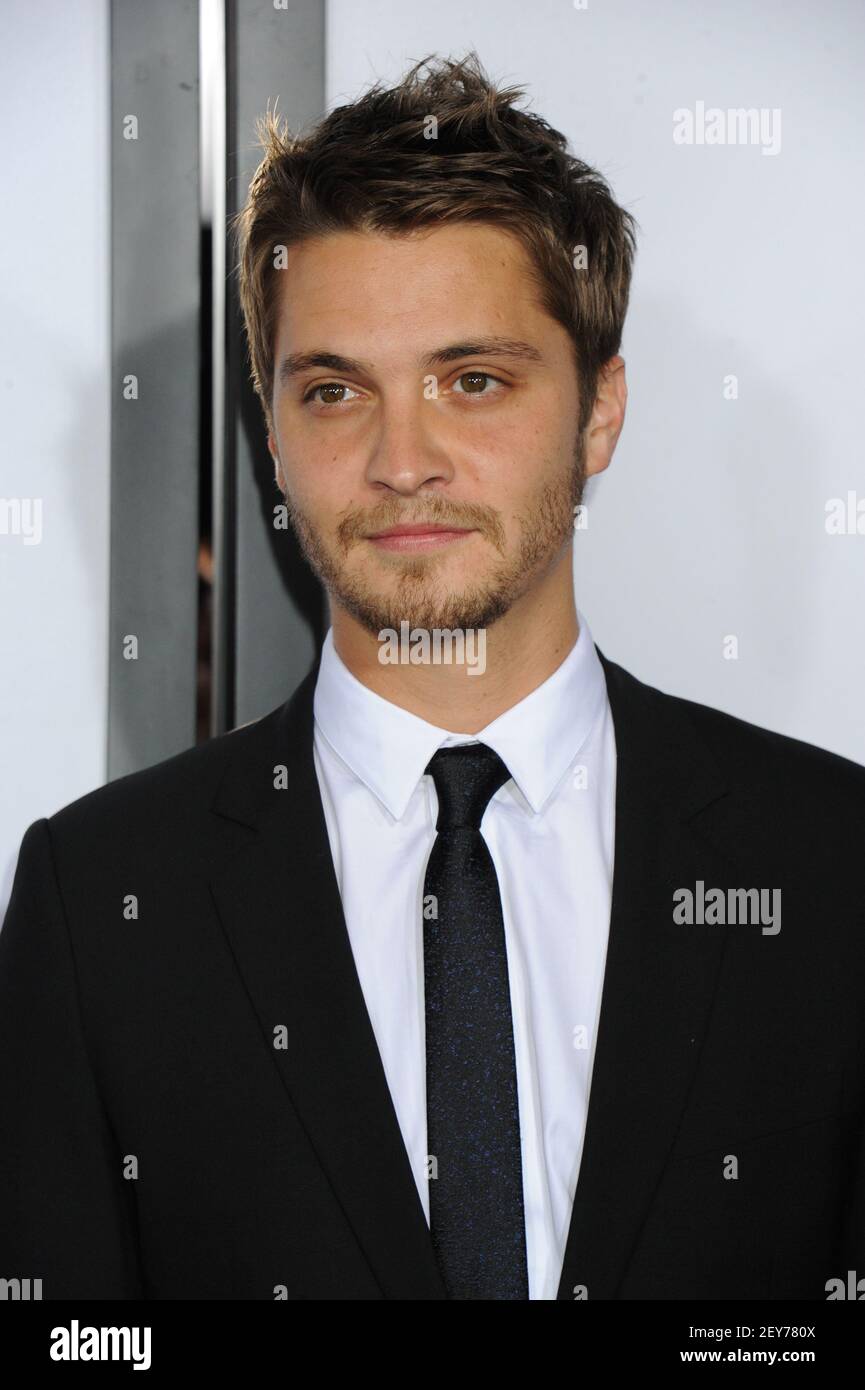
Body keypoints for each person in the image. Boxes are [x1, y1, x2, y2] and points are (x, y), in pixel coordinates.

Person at [1, 51, 863, 1302]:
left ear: (600, 410)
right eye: (336, 389)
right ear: (274, 432)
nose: (403, 460)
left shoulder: (831, 866)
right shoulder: (100, 905)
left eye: (473, 381)